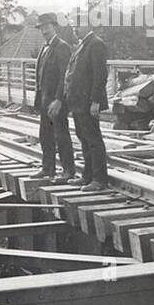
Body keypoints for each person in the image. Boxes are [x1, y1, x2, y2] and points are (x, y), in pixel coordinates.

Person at [64, 23, 109, 190]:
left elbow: (100, 74)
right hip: (78, 102)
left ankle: (99, 180)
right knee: (84, 138)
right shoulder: (82, 45)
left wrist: (95, 101)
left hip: (88, 102)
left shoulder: (96, 44)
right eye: (73, 26)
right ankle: (87, 176)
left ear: (88, 25)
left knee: (93, 140)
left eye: (78, 25)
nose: (74, 29)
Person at [32, 13, 75, 183]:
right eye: (42, 28)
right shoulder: (44, 48)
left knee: (61, 135)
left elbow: (64, 76)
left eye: (47, 27)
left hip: (56, 102)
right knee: (45, 135)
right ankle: (47, 169)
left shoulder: (62, 47)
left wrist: (59, 100)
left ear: (54, 27)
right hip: (44, 100)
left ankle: (68, 171)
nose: (44, 31)